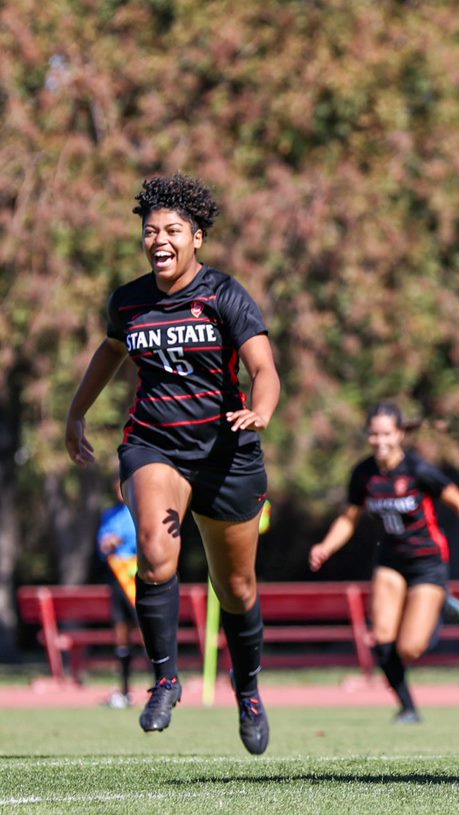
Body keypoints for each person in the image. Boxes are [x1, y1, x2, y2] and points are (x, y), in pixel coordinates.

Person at [65, 173, 280, 755]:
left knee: (235, 587)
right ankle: (163, 679)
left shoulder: (225, 295)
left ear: (197, 238)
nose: (159, 239)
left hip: (227, 454)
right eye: (150, 231)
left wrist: (259, 412)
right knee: (156, 554)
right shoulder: (128, 301)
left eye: (172, 230)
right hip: (154, 444)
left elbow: (264, 368)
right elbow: (110, 351)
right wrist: (76, 412)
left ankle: (250, 690)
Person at [309, 401, 459, 723]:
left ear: (400, 434)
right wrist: (325, 546)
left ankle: (441, 602)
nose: (380, 440)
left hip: (428, 564)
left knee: (410, 648)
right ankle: (407, 707)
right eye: (374, 434)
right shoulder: (364, 473)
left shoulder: (418, 469)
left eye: (387, 433)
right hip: (390, 562)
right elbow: (349, 518)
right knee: (382, 640)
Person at [97, 480, 138, 708]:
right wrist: (107, 543)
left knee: (146, 633)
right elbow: (102, 546)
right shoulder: (110, 515)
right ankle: (124, 690)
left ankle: (160, 687)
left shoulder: (143, 512)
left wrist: (123, 540)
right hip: (118, 578)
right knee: (121, 633)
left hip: (139, 577)